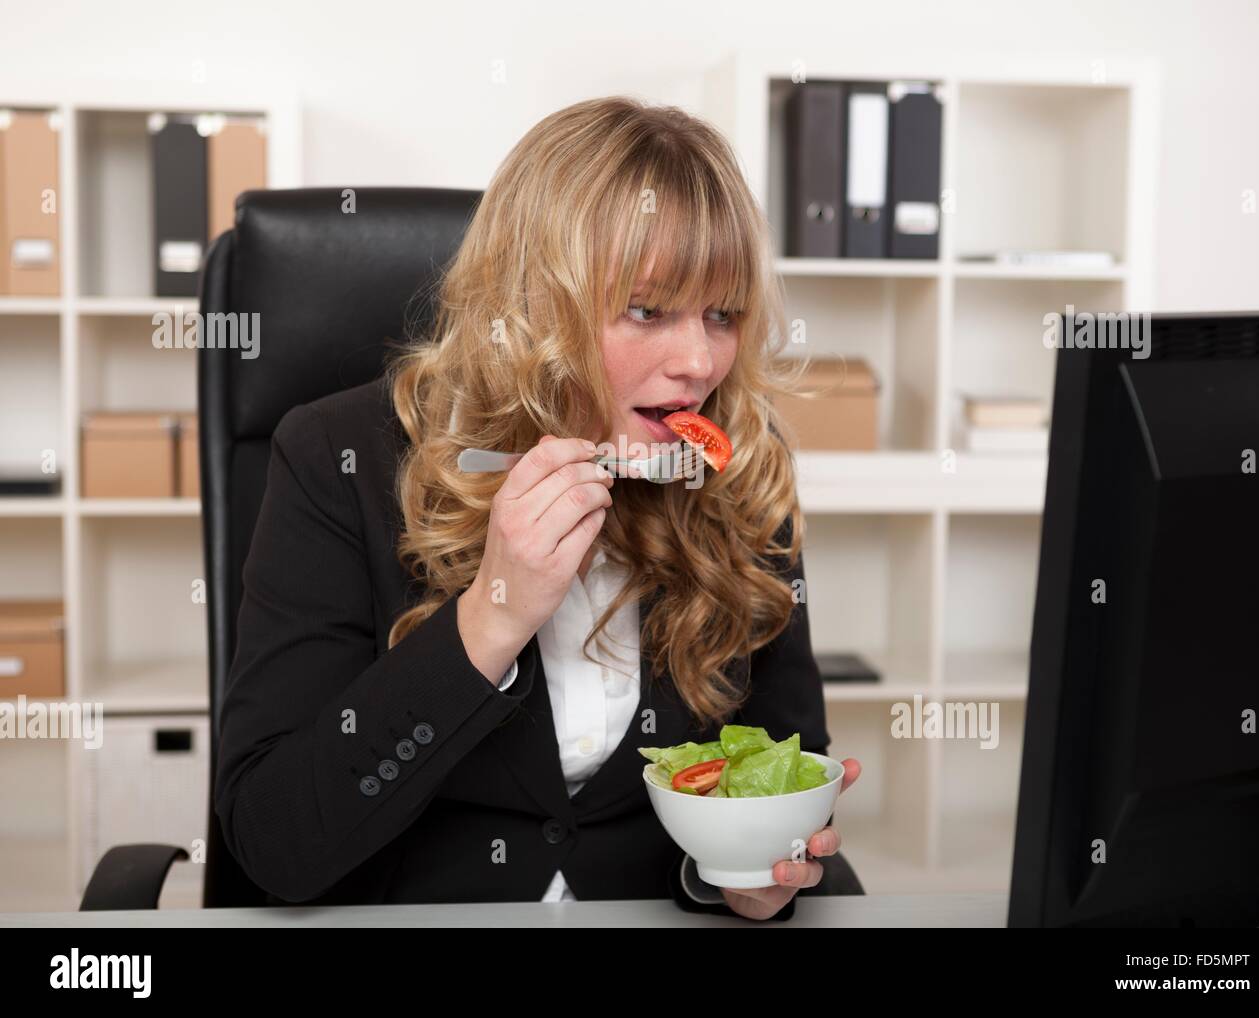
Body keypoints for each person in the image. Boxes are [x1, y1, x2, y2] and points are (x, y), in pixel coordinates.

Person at [214, 95, 862, 922]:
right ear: (531, 305)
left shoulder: (740, 465)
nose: (699, 360)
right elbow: (275, 839)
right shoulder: (334, 457)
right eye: (646, 309)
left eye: (722, 314)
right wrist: (493, 614)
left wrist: (743, 875)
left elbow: (785, 762)